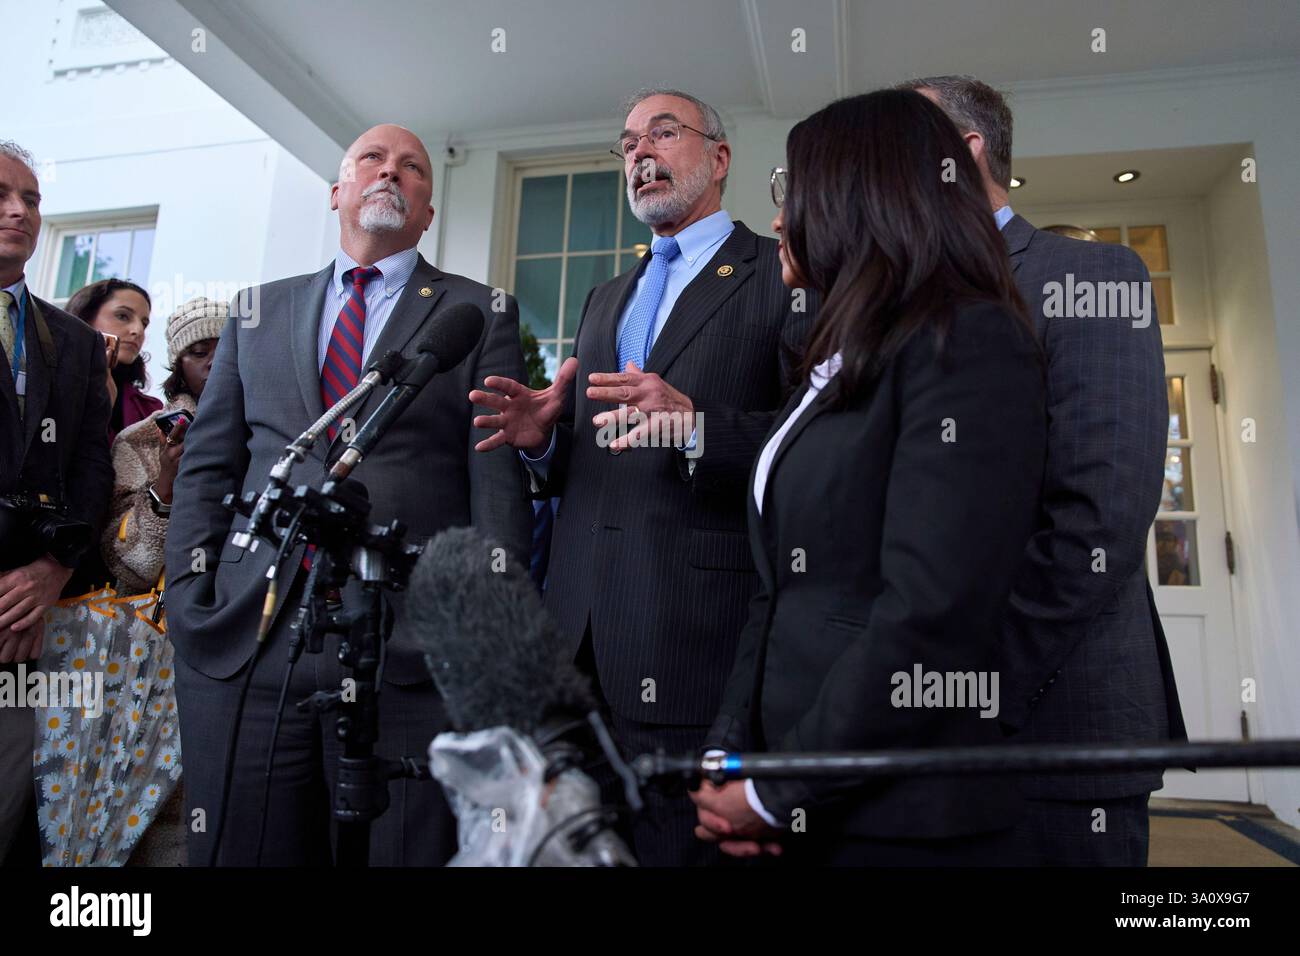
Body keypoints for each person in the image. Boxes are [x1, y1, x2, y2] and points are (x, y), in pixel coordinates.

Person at [692, 90, 1047, 865]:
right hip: (793, 784)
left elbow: (933, 613)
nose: (779, 218)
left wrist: (775, 792)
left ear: (865, 196)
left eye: (793, 189)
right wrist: (732, 758)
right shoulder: (836, 359)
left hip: (897, 817)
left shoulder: (969, 340)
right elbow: (777, 592)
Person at [164, 124, 532, 866]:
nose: (390, 173)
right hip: (254, 635)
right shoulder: (255, 312)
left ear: (428, 210)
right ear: (338, 192)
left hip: (405, 645)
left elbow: (496, 483)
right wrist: (191, 590)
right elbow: (208, 468)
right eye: (372, 159)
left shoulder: (478, 312)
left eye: (412, 169)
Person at [470, 89, 813, 866]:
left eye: (663, 133)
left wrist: (695, 426)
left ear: (719, 158)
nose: (640, 155)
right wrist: (539, 445)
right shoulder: (606, 299)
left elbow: (811, 445)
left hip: (695, 638)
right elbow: (597, 463)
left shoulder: (780, 274)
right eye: (626, 144)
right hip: (577, 641)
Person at [904, 74, 1187, 866]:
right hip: (918, 743)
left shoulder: (1092, 279)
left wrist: (969, 690)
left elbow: (1097, 519)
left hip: (1058, 724)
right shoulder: (896, 305)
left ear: (967, 153)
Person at [0, 140, 113, 863]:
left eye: (32, 199)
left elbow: (91, 471)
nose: (18, 210)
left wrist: (51, 571)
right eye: (2, 194)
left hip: (22, 628)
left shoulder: (73, 340)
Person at [102, 297, 227, 594]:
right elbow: (132, 566)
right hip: (158, 623)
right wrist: (165, 483)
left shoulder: (267, 432)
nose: (214, 361)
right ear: (178, 368)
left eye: (227, 350)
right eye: (198, 352)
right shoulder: (139, 440)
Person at [66, 278, 163, 441]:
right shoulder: (49, 385)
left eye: (144, 324)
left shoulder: (152, 410)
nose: (138, 330)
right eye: (123, 316)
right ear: (86, 317)